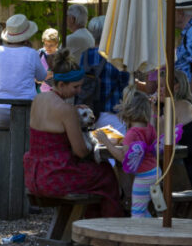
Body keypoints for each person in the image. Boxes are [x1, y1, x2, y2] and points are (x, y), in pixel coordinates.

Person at [24, 52, 122, 217]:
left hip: (35, 174)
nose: (79, 91)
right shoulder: (66, 110)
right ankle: (106, 225)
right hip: (56, 176)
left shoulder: (38, 100)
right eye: (75, 87)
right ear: (61, 85)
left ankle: (90, 224)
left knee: (97, 174)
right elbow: (81, 151)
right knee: (106, 173)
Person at [103, 87, 160, 217]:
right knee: (144, 209)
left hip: (144, 176)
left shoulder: (131, 134)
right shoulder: (149, 128)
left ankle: (141, 235)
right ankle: (151, 229)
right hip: (155, 171)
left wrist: (105, 142)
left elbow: (122, 158)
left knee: (137, 212)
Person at [0, 14, 45, 128]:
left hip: (0, 110)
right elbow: (41, 77)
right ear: (26, 36)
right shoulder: (31, 53)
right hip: (26, 110)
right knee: (25, 143)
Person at [81, 15, 130, 124]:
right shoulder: (115, 56)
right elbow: (125, 83)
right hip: (113, 112)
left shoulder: (84, 56)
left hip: (89, 112)